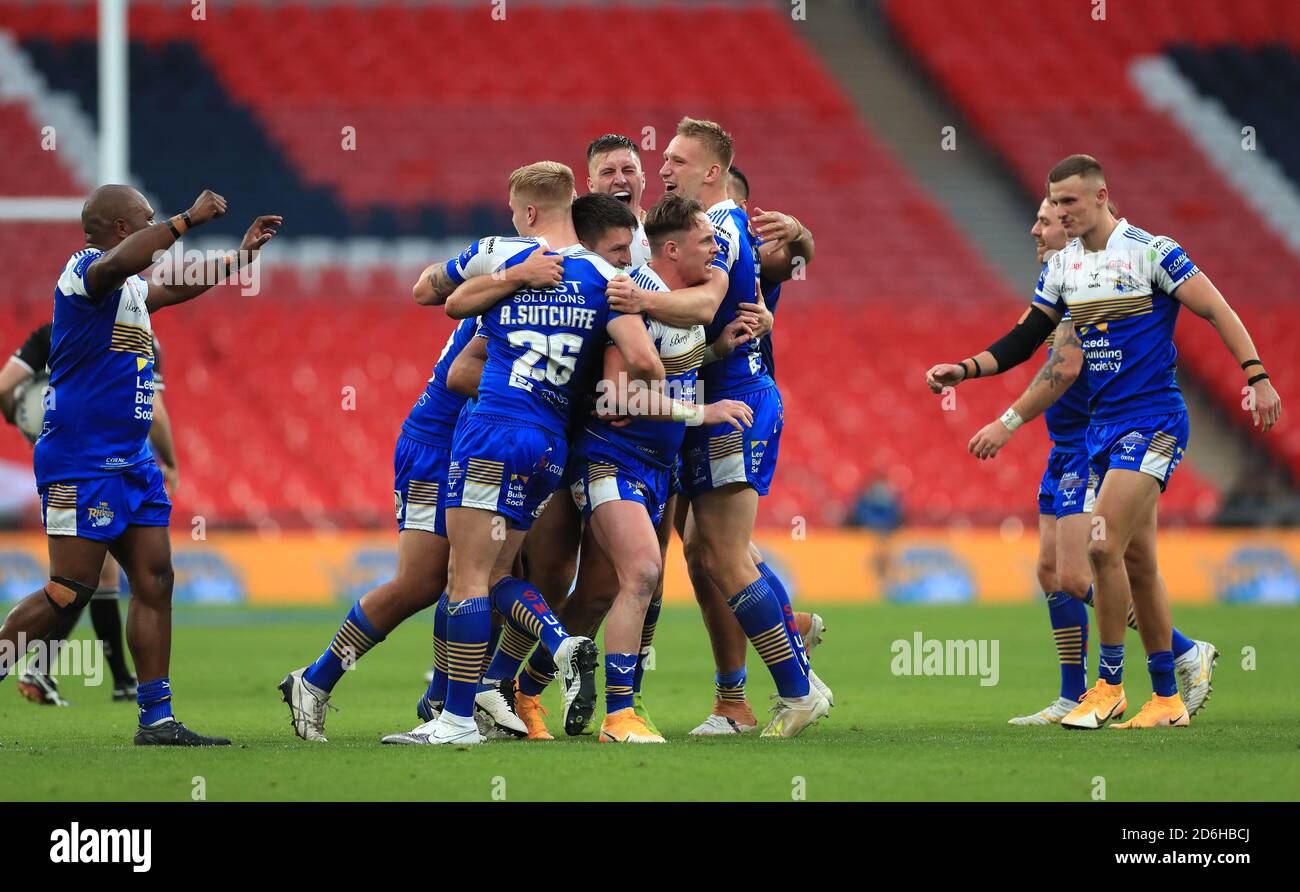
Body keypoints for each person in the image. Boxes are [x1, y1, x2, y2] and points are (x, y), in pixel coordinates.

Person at [926, 155, 1280, 729]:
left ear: (1100, 197)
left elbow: (1216, 308)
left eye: (1068, 202)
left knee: (1098, 548)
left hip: (1155, 418)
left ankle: (1108, 685)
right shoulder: (1063, 267)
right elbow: (1026, 339)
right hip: (1101, 430)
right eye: (1053, 201)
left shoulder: (1152, 250)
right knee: (1137, 561)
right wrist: (965, 370)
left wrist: (1257, 376)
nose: (1059, 212)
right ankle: (1167, 697)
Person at [0, 184, 280, 744]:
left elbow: (171, 285)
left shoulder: (127, 288)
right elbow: (125, 262)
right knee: (67, 591)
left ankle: (157, 718)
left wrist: (240, 258)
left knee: (156, 580)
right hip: (81, 462)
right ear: (122, 228)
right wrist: (186, 221)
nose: (157, 228)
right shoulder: (81, 272)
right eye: (147, 220)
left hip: (132, 461)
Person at [0, 323, 179, 704]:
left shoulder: (53, 332)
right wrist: (172, 462)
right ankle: (52, 670)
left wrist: (27, 424)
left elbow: (4, 387)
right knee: (76, 586)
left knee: (85, 584)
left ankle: (82, 676)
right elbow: (155, 412)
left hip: (67, 463)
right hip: (110, 468)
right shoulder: (141, 333)